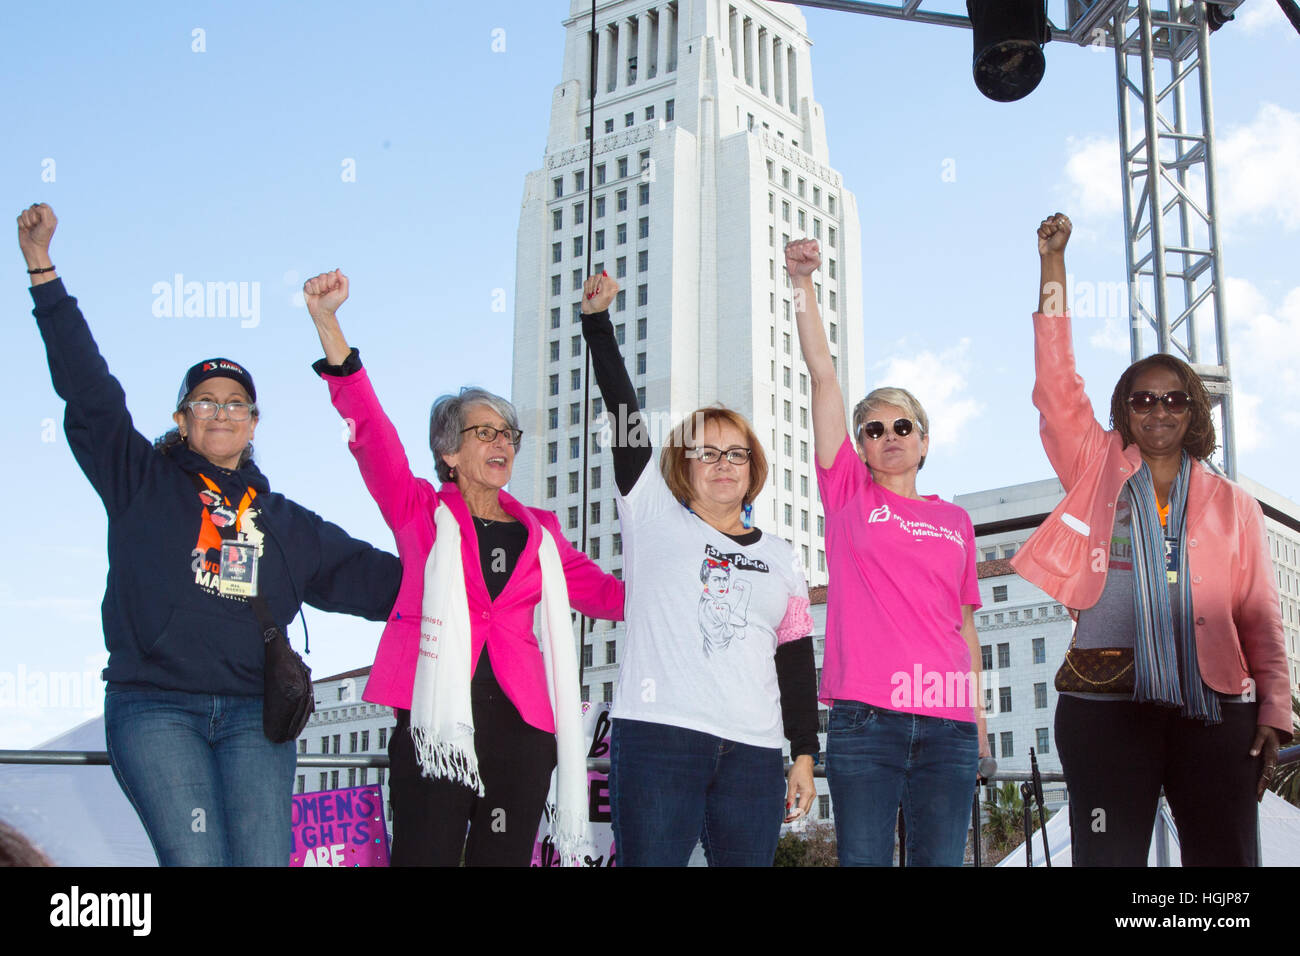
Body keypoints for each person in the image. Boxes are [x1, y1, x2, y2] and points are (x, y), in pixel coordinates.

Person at [17, 204, 401, 867]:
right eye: (205, 401)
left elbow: (390, 582)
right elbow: (91, 392)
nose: (220, 412)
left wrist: (483, 559)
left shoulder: (287, 523)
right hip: (157, 708)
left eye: (234, 404)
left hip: (257, 716)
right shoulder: (139, 481)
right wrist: (43, 271)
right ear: (182, 417)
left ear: (254, 423)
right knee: (196, 861)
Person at [302, 269, 624, 867]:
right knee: (425, 856)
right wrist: (330, 327)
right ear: (449, 452)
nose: (501, 442)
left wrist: (690, 579)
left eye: (508, 433)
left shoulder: (541, 533)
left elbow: (609, 596)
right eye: (484, 432)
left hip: (523, 727)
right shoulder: (420, 513)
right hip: (435, 720)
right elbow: (372, 438)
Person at [1011, 213, 1291, 866]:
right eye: (1143, 400)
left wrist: (1274, 709)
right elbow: (1055, 385)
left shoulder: (1234, 506)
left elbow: (1260, 618)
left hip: (1215, 711)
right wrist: (1053, 266)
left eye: (1174, 400)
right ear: (1123, 410)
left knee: (1225, 872)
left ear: (1193, 410)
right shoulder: (1095, 465)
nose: (1159, 410)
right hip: (1103, 707)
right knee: (1108, 860)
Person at [578, 273, 818, 867]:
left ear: (753, 466)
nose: (722, 463)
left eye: (735, 452)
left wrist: (805, 754)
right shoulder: (652, 509)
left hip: (755, 753)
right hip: (660, 737)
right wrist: (597, 325)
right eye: (705, 452)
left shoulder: (781, 556)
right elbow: (624, 412)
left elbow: (793, 659)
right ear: (681, 466)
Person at [785, 238, 987, 867]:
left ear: (924, 442)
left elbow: (965, 626)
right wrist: (801, 283)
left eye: (903, 427)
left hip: (949, 724)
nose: (889, 436)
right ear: (862, 447)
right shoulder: (847, 493)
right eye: (874, 429)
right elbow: (822, 375)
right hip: (866, 720)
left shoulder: (956, 520)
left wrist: (977, 723)